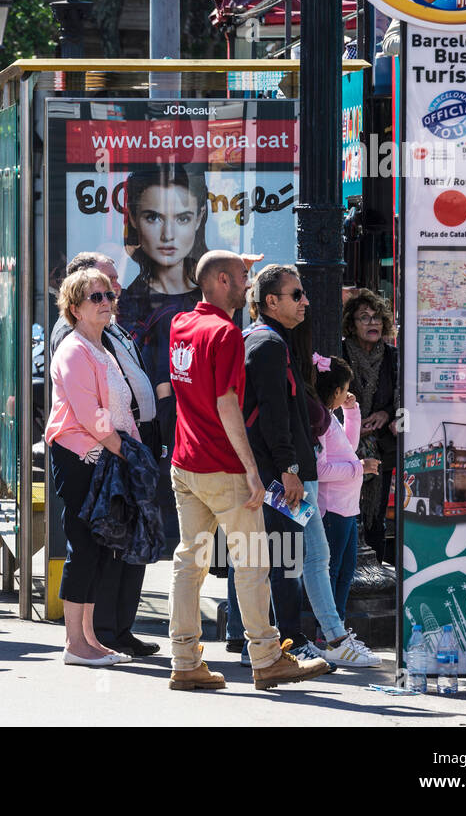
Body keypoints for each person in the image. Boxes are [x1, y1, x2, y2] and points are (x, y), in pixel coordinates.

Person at [166, 250, 329, 690]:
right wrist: (253, 471)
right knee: (253, 563)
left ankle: (184, 661)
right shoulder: (225, 334)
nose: (249, 283)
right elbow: (226, 405)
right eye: (242, 276)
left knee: (190, 562)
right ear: (222, 281)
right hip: (223, 466)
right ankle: (267, 656)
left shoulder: (181, 326)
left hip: (185, 464)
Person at [48, 252, 161, 657]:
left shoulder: (103, 346)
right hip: (83, 458)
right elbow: (91, 416)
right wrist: (129, 454)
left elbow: (120, 408)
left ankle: (90, 638)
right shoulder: (74, 349)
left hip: (109, 456)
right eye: (94, 297)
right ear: (74, 308)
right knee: (83, 546)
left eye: (107, 295)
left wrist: (128, 449)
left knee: (100, 546)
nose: (105, 302)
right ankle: (75, 642)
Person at [240, 263, 324, 663]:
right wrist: (290, 472)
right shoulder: (268, 344)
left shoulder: (265, 340)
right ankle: (288, 639)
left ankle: (247, 641)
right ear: (270, 301)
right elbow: (274, 415)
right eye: (297, 294)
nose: (305, 300)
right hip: (278, 476)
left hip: (269, 472)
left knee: (264, 555)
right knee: (287, 556)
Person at [313, 354, 382, 666]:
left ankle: (336, 630)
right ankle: (329, 635)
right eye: (345, 390)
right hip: (332, 509)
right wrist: (359, 468)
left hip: (346, 509)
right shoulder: (321, 423)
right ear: (335, 390)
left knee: (343, 573)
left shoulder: (330, 418)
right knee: (333, 572)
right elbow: (322, 469)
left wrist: (351, 410)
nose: (347, 393)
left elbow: (348, 446)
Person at [115, 169, 209, 385]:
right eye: (153, 217)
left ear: (199, 218)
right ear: (134, 218)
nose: (168, 235)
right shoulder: (125, 305)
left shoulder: (213, 296)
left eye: (183, 218)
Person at [340, 289, 398, 563]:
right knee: (347, 515)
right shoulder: (338, 353)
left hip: (381, 449)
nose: (373, 323)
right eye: (364, 318)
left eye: (376, 317)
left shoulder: (393, 357)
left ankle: (375, 564)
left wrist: (386, 415)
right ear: (351, 324)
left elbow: (401, 399)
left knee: (376, 519)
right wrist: (351, 424)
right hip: (344, 450)